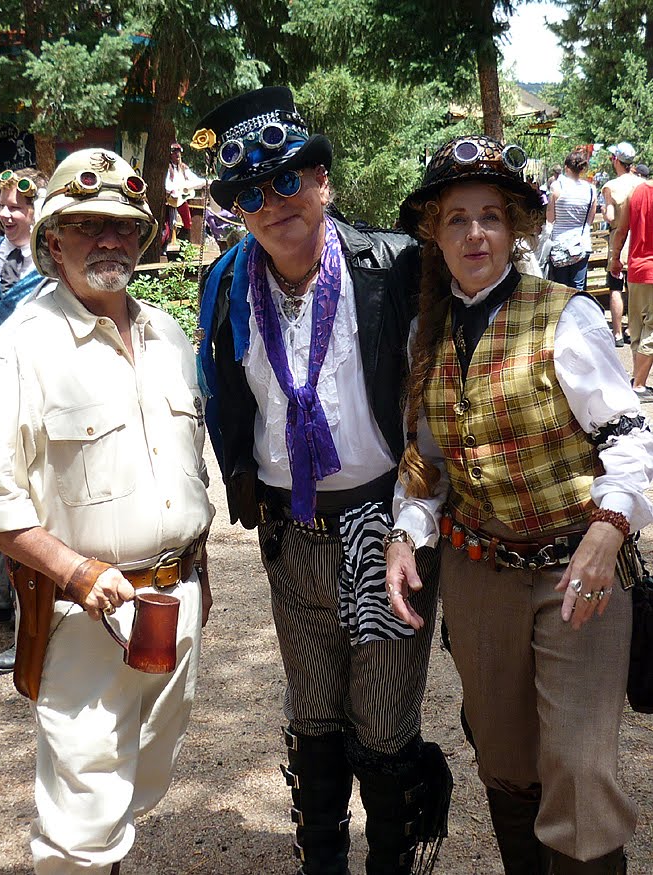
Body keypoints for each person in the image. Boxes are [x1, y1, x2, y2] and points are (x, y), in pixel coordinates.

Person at [194, 86, 445, 875]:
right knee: (312, 718)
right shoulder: (227, 283)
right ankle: (322, 862)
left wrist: (412, 522)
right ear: (236, 211)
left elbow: (432, 410)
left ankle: (391, 862)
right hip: (290, 533)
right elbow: (219, 398)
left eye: (286, 180)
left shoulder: (393, 266)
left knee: (384, 722)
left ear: (322, 181)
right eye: (249, 194)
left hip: (384, 528)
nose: (272, 204)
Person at [386, 135, 653, 874]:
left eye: (490, 217)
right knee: (504, 757)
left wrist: (608, 528)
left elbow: (630, 437)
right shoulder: (425, 333)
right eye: (457, 219)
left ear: (515, 228)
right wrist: (406, 534)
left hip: (577, 571)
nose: (475, 233)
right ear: (434, 235)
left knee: (578, 763)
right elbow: (430, 465)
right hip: (478, 574)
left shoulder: (566, 316)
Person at [0, 148, 215, 874]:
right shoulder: (21, 348)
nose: (109, 239)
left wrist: (194, 578)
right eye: (87, 226)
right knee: (81, 820)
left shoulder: (168, 337)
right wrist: (77, 571)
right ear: (53, 241)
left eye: (122, 226)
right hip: (85, 616)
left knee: (138, 783)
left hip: (175, 604)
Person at [0, 167, 50, 670]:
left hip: (31, 398)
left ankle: (28, 627)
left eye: (18, 207)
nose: (7, 214)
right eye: (3, 204)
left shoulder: (51, 268)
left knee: (24, 503)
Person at [610, 169, 653, 402]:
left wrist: (615, 258)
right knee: (651, 330)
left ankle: (637, 380)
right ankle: (639, 385)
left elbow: (621, 230)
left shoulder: (635, 193)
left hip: (636, 270)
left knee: (637, 327)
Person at [602, 142, 643, 347]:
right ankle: (633, 329)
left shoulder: (611, 186)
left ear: (616, 160)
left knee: (616, 287)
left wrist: (604, 211)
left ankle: (617, 333)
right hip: (640, 241)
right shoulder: (642, 184)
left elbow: (610, 217)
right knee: (635, 288)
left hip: (619, 240)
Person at [546, 148, 597, 290]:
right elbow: (590, 219)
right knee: (578, 287)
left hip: (559, 244)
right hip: (581, 244)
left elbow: (550, 218)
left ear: (566, 168)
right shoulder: (590, 189)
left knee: (560, 287)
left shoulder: (557, 186)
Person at [162, 142, 206, 247]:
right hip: (169, 200)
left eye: (179, 152)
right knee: (167, 225)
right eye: (174, 152)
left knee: (187, 222)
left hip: (180, 199)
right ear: (170, 154)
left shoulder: (183, 168)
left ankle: (183, 244)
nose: (177, 155)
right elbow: (167, 184)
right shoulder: (168, 168)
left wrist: (205, 182)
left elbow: (194, 180)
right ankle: (164, 246)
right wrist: (171, 190)